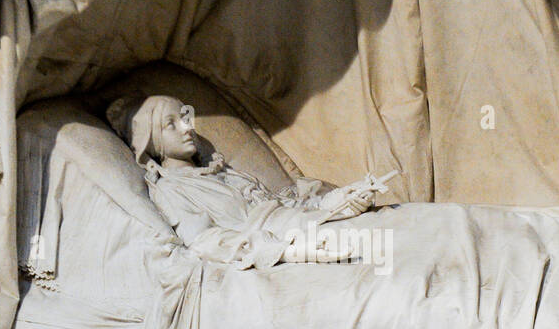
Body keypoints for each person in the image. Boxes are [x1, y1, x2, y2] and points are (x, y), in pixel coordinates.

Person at [107, 94, 388, 269]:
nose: (186, 127)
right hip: (283, 243)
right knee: (381, 252)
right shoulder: (172, 189)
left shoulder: (222, 171)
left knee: (398, 225)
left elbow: (281, 203)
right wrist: (286, 252)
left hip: (301, 222)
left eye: (185, 117)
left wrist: (339, 201)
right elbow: (205, 241)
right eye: (171, 124)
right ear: (152, 143)